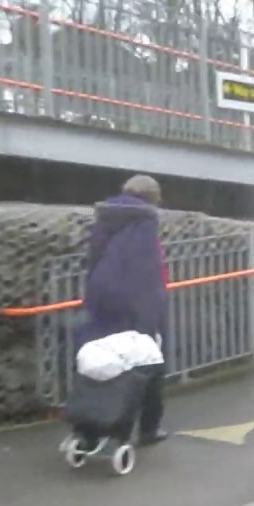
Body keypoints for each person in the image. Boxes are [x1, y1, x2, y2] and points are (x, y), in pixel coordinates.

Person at [75, 174, 169, 445]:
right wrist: (152, 319)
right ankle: (146, 429)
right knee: (150, 365)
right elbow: (146, 272)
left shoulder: (105, 217)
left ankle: (89, 430)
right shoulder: (144, 221)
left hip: (100, 304)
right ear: (152, 198)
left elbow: (93, 259)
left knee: (97, 364)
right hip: (134, 308)